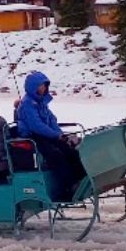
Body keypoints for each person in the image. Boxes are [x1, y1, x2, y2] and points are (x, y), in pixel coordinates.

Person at [16, 71, 86, 201]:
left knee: (69, 150)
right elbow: (36, 125)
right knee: (56, 155)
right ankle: (69, 186)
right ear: (34, 87)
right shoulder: (27, 104)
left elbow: (51, 120)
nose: (44, 88)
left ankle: (82, 179)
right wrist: (55, 135)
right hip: (33, 137)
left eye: (45, 85)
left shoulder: (41, 102)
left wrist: (60, 135)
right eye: (41, 85)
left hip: (46, 135)